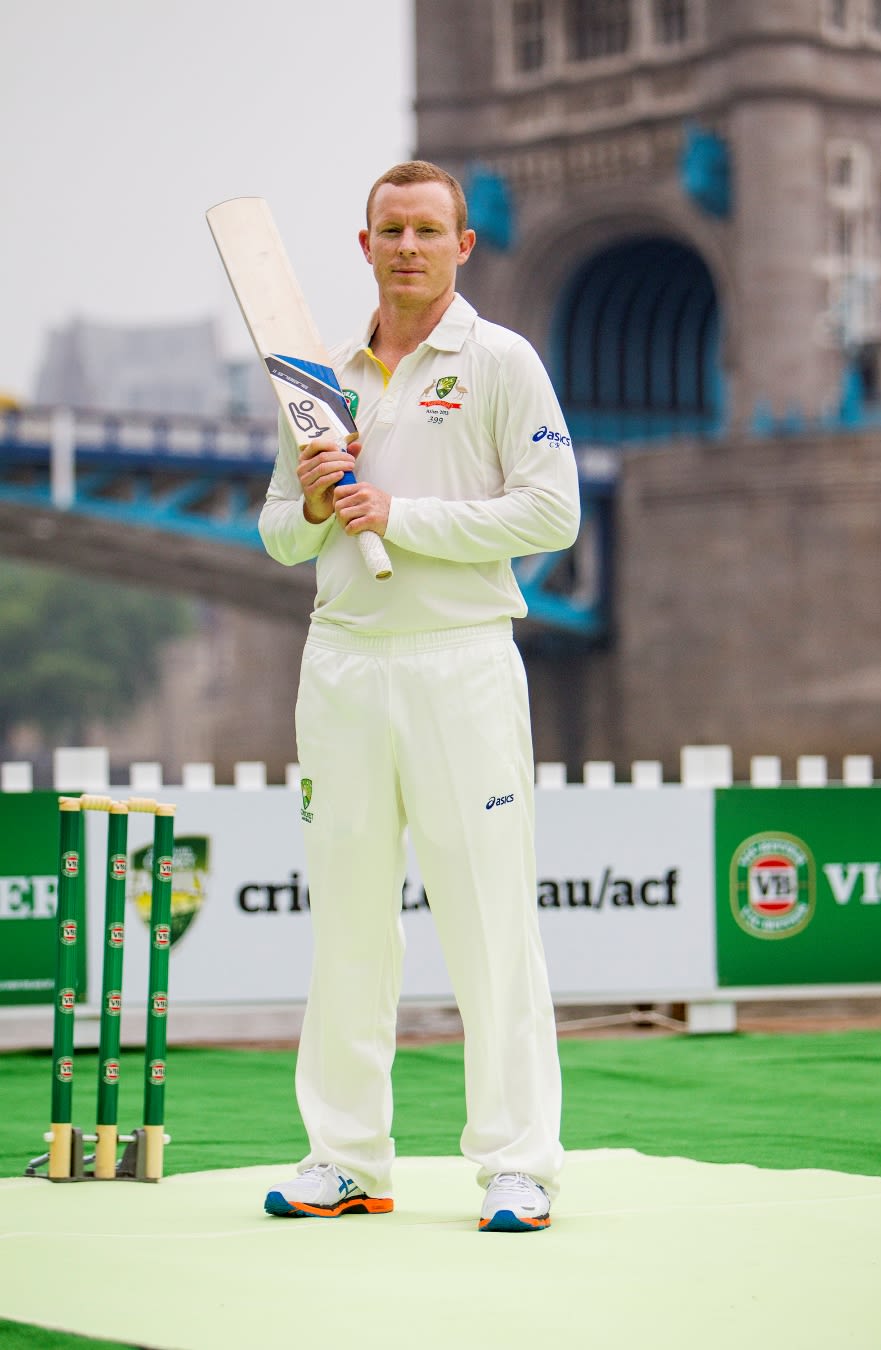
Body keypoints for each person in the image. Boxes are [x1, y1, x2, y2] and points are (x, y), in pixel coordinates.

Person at [258, 161, 580, 1233]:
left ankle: (518, 1165)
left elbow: (552, 515)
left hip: (461, 659)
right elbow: (277, 536)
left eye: (427, 231)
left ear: (463, 245)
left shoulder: (500, 363)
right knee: (349, 918)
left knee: (489, 919)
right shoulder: (319, 377)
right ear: (364, 246)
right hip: (343, 661)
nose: (407, 247)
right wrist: (313, 500)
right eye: (389, 230)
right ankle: (346, 1158)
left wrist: (398, 514)